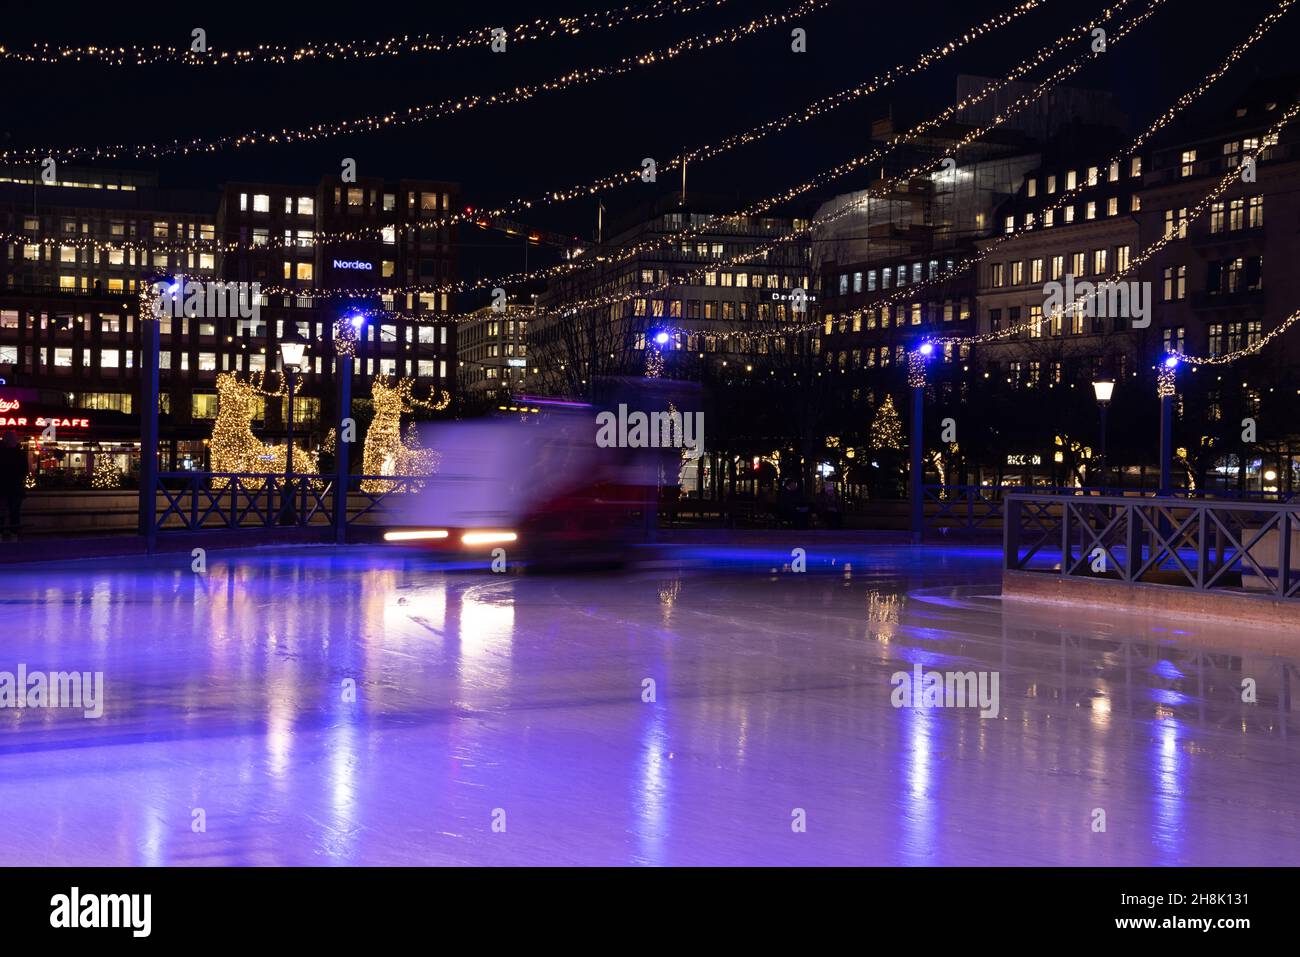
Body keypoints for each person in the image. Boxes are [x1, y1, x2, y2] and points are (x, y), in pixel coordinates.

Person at [0, 431, 29, 541]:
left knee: (2, 512)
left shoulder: (2, 453)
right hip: (15, 488)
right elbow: (24, 471)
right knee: (14, 512)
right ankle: (14, 534)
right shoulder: (20, 454)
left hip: (2, 487)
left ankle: (2, 533)